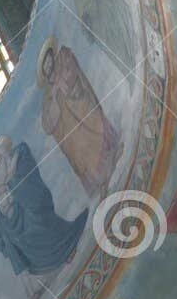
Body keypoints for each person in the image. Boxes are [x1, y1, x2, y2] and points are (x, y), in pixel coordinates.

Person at [0, 135, 87, 299]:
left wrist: (11, 183)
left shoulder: (19, 156)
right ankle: (32, 290)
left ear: (3, 155)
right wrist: (2, 206)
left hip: (33, 208)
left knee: (37, 222)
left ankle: (65, 248)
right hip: (14, 225)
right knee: (9, 239)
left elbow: (32, 185)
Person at [37, 37, 121, 201]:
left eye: (47, 60)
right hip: (72, 136)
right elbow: (47, 124)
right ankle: (102, 182)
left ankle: (112, 155)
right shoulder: (47, 96)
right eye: (44, 66)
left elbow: (73, 71)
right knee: (82, 153)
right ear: (44, 73)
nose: (48, 65)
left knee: (96, 128)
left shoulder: (63, 57)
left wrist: (63, 83)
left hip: (83, 108)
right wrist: (55, 96)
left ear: (51, 55)